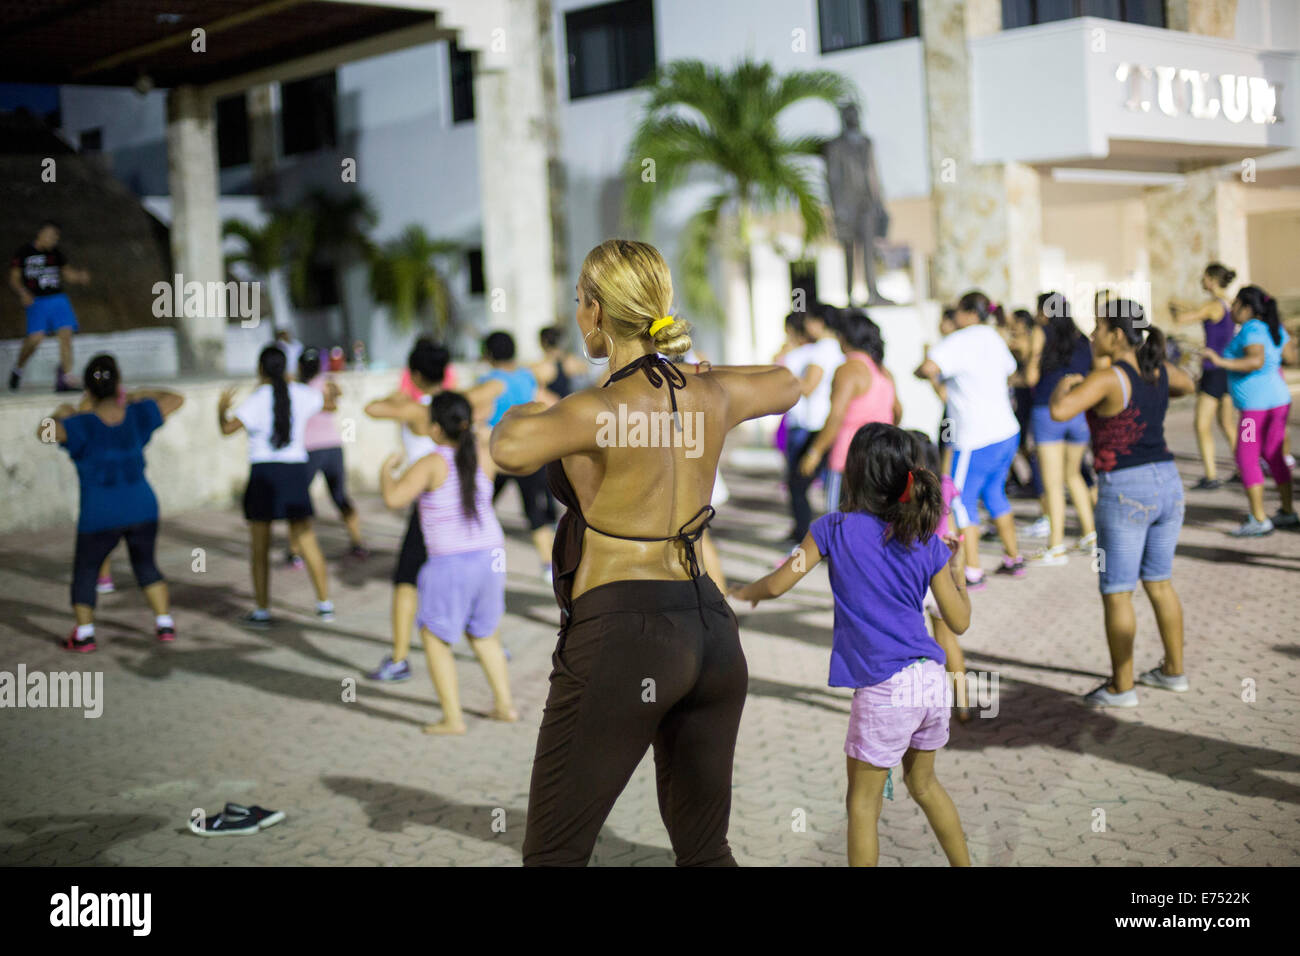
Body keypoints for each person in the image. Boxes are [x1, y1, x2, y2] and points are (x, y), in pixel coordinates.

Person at [490, 238, 800, 866]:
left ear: (598, 310)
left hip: (623, 636)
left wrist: (529, 401)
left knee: (554, 853)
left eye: (581, 301)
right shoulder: (708, 395)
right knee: (706, 852)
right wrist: (702, 375)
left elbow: (509, 448)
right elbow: (786, 383)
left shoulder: (596, 410)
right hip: (711, 631)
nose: (580, 314)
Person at [731, 423, 971, 866]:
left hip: (885, 689)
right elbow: (958, 621)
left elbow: (782, 582)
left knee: (862, 807)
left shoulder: (831, 529)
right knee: (925, 787)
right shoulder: (925, 537)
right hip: (930, 681)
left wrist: (742, 594)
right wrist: (955, 570)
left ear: (855, 473)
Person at [1049, 299, 1194, 707]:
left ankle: (1122, 687)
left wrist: (1068, 383)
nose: (1092, 335)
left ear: (1116, 334)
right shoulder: (1157, 370)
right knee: (1160, 583)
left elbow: (1061, 410)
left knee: (1117, 592)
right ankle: (1174, 672)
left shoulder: (1110, 377)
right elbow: (1187, 383)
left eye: (1098, 328)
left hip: (1125, 490)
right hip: (1167, 483)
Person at [364, 341, 503, 681]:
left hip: (432, 509)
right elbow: (494, 390)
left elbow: (371, 408)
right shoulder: (457, 405)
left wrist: (401, 396)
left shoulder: (415, 410)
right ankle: (493, 644)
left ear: (413, 373)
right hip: (469, 508)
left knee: (405, 580)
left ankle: (398, 659)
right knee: (476, 576)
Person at [379, 391, 517, 734]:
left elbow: (394, 498)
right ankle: (505, 706)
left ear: (436, 429)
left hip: (451, 562)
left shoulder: (432, 462)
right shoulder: (483, 455)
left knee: (435, 636)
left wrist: (386, 472)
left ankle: (453, 719)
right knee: (485, 635)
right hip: (491, 556)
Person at [39, 354, 183, 650]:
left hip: (100, 514)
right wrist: (137, 394)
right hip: (142, 506)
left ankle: (85, 633)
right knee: (146, 565)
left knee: (86, 570)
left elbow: (43, 431)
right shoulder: (138, 414)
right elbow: (175, 398)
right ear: (117, 383)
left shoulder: (79, 424)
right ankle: (164, 623)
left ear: (87, 390)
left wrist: (60, 411)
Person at [914, 290, 1025, 588]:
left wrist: (925, 369)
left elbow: (927, 369)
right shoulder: (992, 336)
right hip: (1006, 431)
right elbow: (1010, 370)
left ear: (966, 313)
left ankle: (972, 571)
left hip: (976, 436)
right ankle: (1014, 558)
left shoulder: (957, 341)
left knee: (959, 500)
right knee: (994, 494)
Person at [218, 346, 334, 627]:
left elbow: (227, 429)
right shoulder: (302, 394)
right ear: (286, 368)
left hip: (264, 474)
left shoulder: (257, 399)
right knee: (307, 541)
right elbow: (329, 405)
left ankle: (262, 610)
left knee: (260, 547)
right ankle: (324, 605)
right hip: (294, 473)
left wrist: (221, 409)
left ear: (260, 369)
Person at [1202, 285, 1297, 535]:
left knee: (1246, 458)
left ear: (1246, 308)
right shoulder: (1272, 326)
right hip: (1278, 401)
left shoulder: (1252, 328)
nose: (1231, 309)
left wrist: (1221, 361)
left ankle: (1259, 519)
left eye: (1235, 304)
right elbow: (1289, 356)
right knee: (1274, 454)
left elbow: (1256, 360)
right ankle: (1287, 511)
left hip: (1254, 410)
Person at [1017, 292, 1097, 565]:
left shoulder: (1042, 332)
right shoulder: (1083, 337)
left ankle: (1056, 546)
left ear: (1046, 313)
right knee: (1074, 475)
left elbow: (1030, 377)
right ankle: (1090, 534)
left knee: (1052, 484)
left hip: (1047, 411)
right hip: (1079, 412)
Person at [799, 310, 900, 513]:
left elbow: (836, 415)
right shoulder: (883, 371)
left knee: (838, 524)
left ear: (845, 337)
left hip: (848, 459)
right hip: (881, 458)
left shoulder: (848, 369)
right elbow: (897, 411)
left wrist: (815, 451)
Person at [479, 331, 556, 580]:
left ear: (488, 355)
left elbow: (479, 417)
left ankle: (476, 555)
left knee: (481, 507)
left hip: (497, 457)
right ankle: (548, 567)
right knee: (535, 514)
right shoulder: (526, 376)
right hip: (529, 456)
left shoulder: (488, 381)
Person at [909, 429, 971, 721]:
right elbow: (957, 524)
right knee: (948, 639)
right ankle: (963, 705)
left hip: (916, 572)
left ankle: (917, 707)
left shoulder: (906, 489)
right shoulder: (945, 484)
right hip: (944, 569)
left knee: (911, 640)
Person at [1168, 263, 1239, 489]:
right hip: (1228, 368)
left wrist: (1172, 307)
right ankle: (1243, 466)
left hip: (1213, 370)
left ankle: (1211, 475)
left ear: (1211, 279)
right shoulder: (1229, 302)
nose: (1202, 281)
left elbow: (1181, 319)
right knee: (1228, 424)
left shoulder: (1211, 306)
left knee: (1201, 424)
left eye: (1204, 277)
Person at [296, 347, 367, 558]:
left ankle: (295, 550)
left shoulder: (300, 389)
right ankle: (358, 542)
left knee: (298, 498)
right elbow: (336, 398)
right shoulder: (324, 382)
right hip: (334, 447)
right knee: (340, 496)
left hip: (310, 449)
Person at [9, 221, 91, 392]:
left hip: (57, 299)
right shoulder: (24, 253)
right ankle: (18, 368)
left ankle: (67, 378)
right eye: (51, 235)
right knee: (35, 339)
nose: (54, 239)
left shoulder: (55, 254)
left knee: (66, 334)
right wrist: (23, 293)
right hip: (37, 300)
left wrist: (80, 276)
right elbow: (14, 278)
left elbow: (67, 274)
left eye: (56, 237)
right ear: (41, 233)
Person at [779, 309, 839, 542]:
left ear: (819, 322)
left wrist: (784, 379)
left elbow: (808, 387)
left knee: (798, 485)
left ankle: (805, 538)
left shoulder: (821, 350)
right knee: (824, 485)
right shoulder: (835, 348)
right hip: (822, 423)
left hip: (813, 426)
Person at [532, 325, 588, 402]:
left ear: (543, 343)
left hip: (555, 409)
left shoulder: (541, 368)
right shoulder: (574, 362)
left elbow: (539, 396)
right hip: (574, 405)